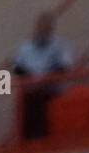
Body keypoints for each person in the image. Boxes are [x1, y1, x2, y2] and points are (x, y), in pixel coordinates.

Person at [12, 12, 73, 140]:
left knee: (43, 113)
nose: (43, 31)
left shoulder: (60, 45)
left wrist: (44, 81)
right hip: (30, 90)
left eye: (47, 28)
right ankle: (26, 143)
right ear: (36, 28)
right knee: (26, 110)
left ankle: (44, 140)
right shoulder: (25, 47)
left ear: (51, 29)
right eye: (41, 27)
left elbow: (63, 67)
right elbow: (18, 68)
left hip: (51, 90)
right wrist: (31, 82)